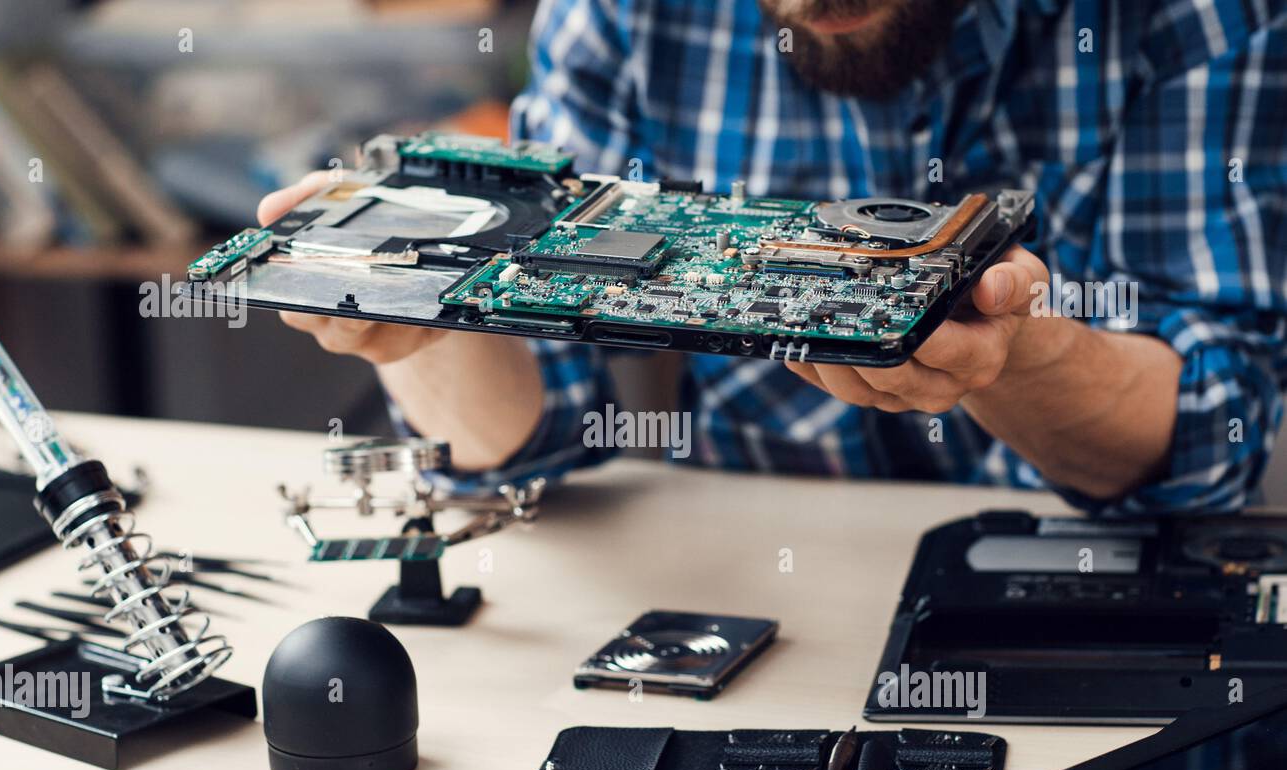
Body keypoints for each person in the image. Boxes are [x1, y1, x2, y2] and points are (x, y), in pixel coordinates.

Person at [258, 0, 1287, 513]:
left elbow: (1212, 441)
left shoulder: (1191, 19)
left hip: (1108, 644)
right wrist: (423, 322)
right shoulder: (626, 13)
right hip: (754, 620)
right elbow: (538, 446)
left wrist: (1018, 358)